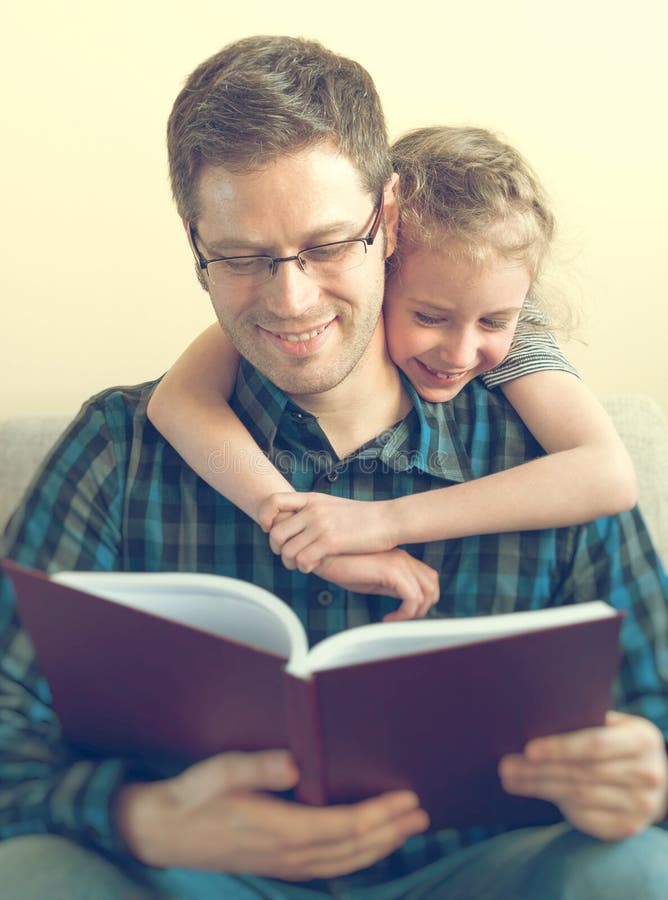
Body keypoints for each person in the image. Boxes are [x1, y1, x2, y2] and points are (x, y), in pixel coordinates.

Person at [1, 33, 667, 900]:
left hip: (476, 874)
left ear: (388, 220)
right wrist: (144, 818)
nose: (292, 298)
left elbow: (656, 710)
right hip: (200, 879)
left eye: (324, 246)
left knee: (639, 872)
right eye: (241, 256)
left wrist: (644, 773)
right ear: (195, 244)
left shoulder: (545, 454)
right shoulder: (120, 447)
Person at [147, 124, 638, 602]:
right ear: (382, 263)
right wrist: (316, 547)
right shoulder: (298, 315)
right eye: (428, 317)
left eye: (492, 323)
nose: (461, 353)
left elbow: (608, 475)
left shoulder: (518, 331)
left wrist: (384, 521)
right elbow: (177, 400)